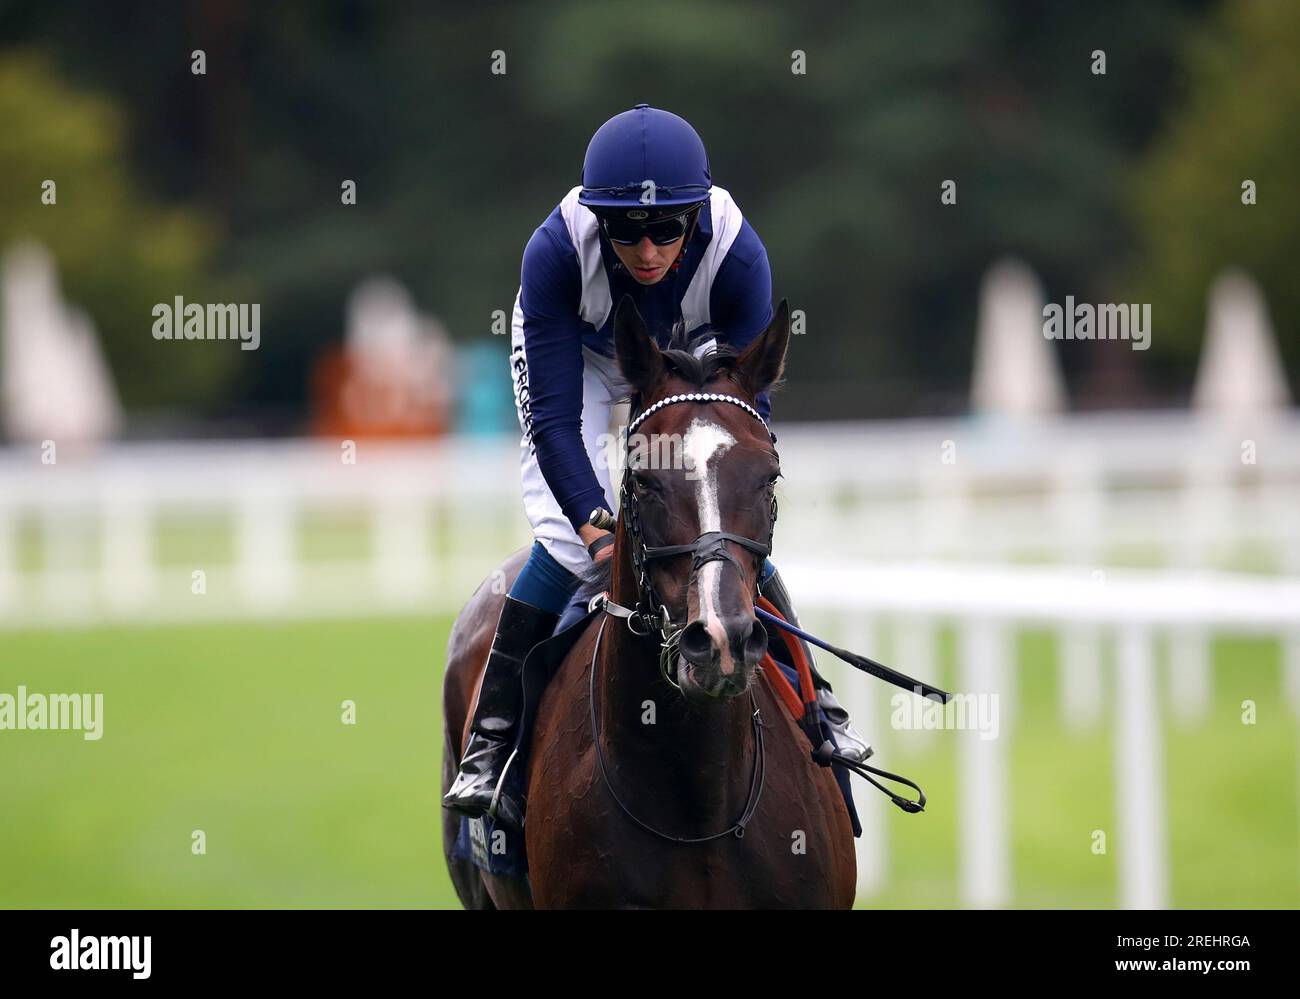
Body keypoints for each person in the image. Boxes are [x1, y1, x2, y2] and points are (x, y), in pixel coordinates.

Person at [444, 104, 869, 829]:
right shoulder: (554, 255)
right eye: (626, 230)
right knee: (563, 543)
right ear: (597, 221)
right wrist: (594, 524)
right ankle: (491, 738)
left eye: (666, 228)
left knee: (720, 533)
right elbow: (552, 423)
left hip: (691, 356)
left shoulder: (736, 256)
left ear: (695, 219)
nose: (646, 250)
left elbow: (748, 414)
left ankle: (815, 700)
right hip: (577, 357)